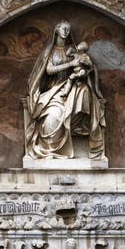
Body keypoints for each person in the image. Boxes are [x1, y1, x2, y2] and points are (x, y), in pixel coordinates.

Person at [25, 21, 106, 161]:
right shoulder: (49, 51)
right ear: (56, 30)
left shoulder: (72, 49)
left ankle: (83, 123)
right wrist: (70, 64)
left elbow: (86, 66)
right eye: (64, 28)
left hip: (71, 86)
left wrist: (86, 68)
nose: (66, 31)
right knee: (53, 116)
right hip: (53, 92)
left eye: (68, 29)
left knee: (85, 91)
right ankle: (49, 151)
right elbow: (49, 70)